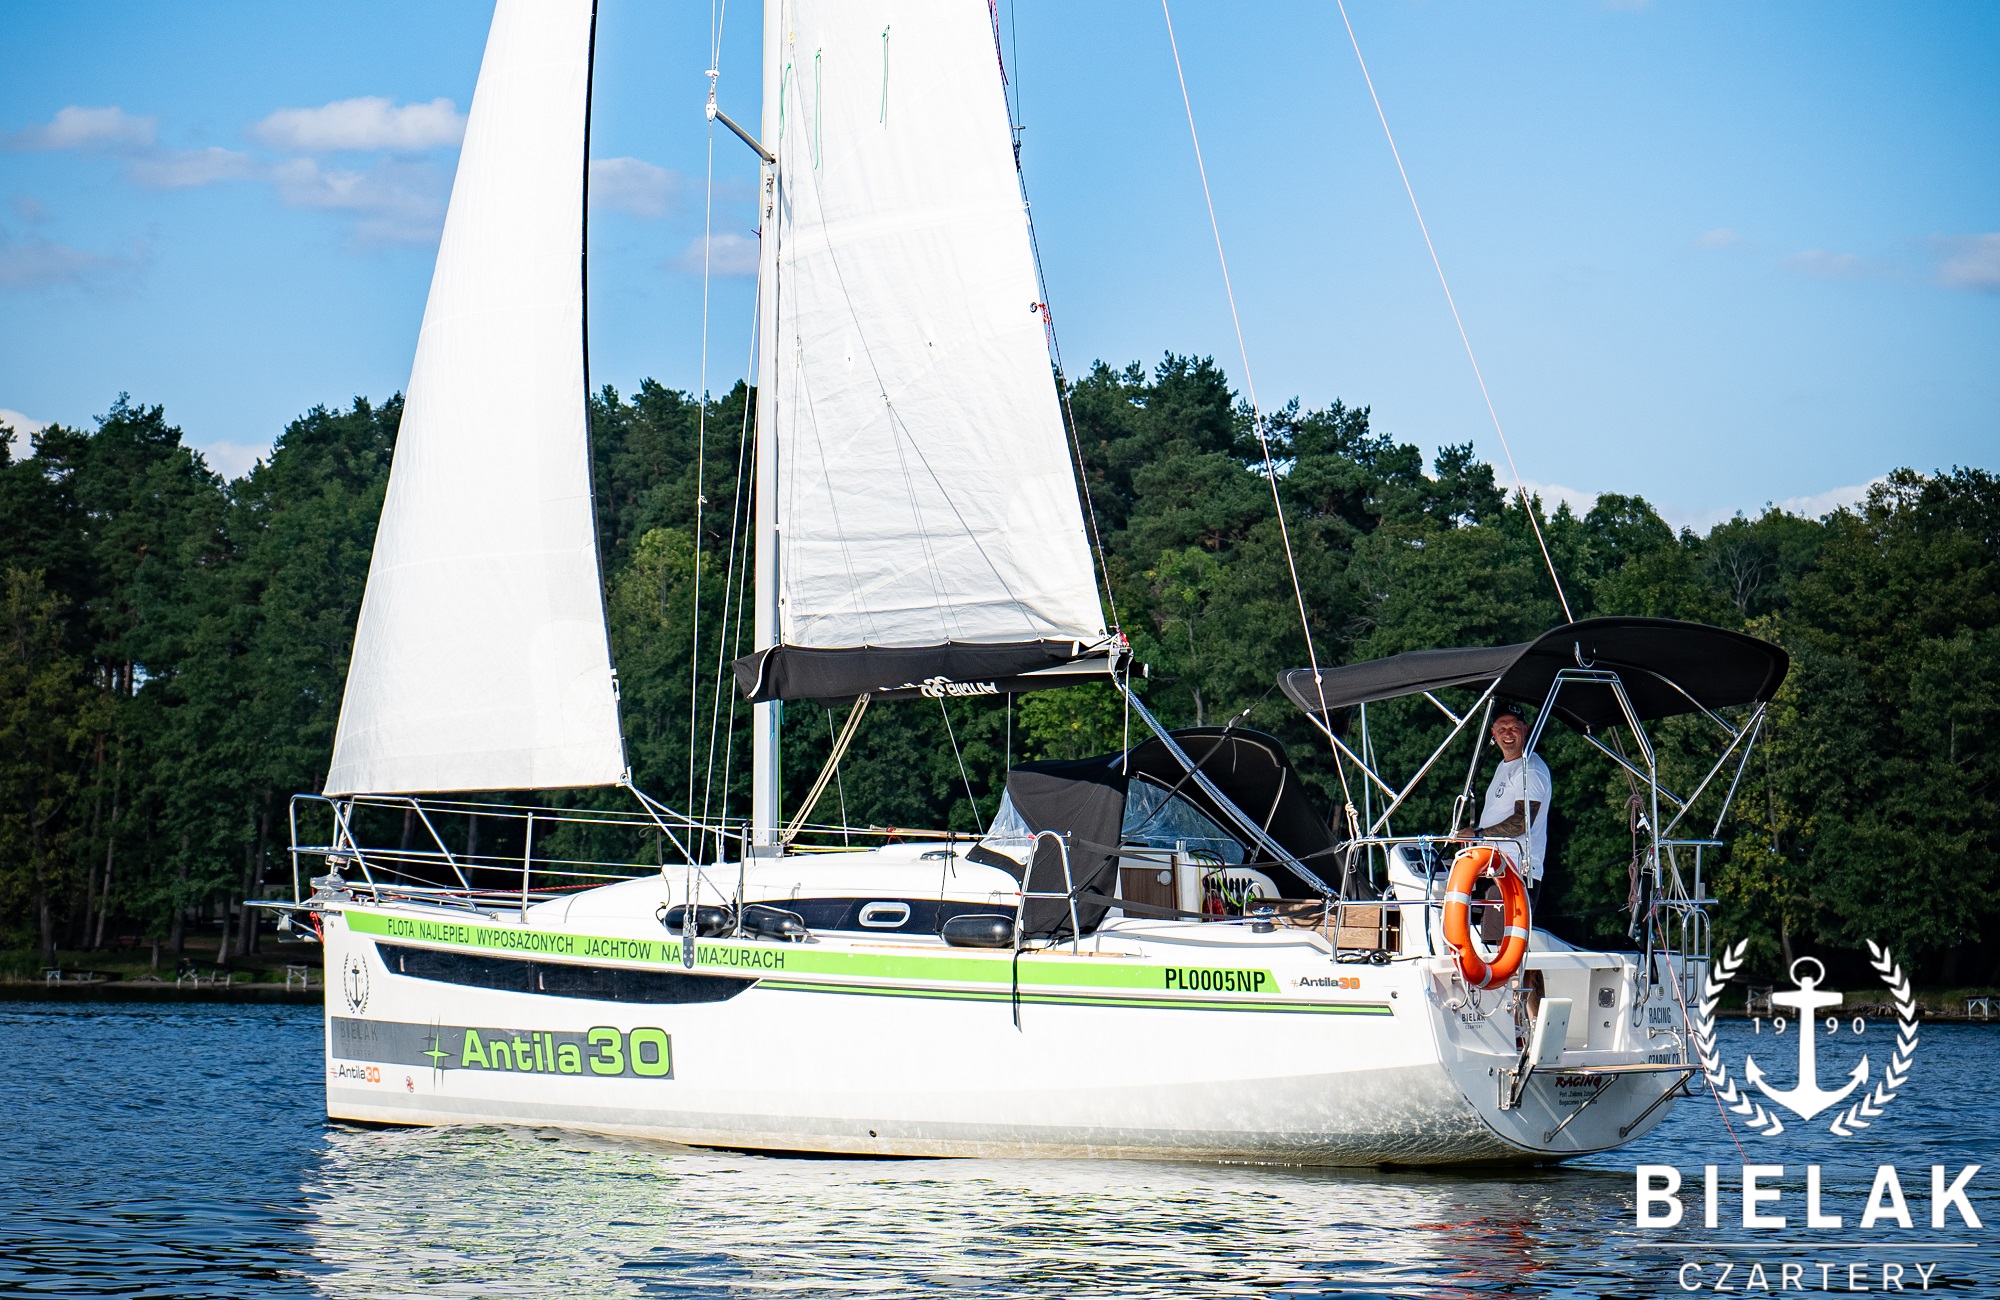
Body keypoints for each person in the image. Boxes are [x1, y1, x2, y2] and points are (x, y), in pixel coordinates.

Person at [1452, 702, 1552, 936]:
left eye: (1514, 728)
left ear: (1525, 729)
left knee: (1503, 942)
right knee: (1490, 938)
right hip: (1492, 869)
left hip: (1515, 871)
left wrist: (1478, 834)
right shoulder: (1505, 766)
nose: (1508, 734)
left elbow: (1522, 822)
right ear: (1493, 733)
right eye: (1502, 728)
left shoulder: (1531, 770)